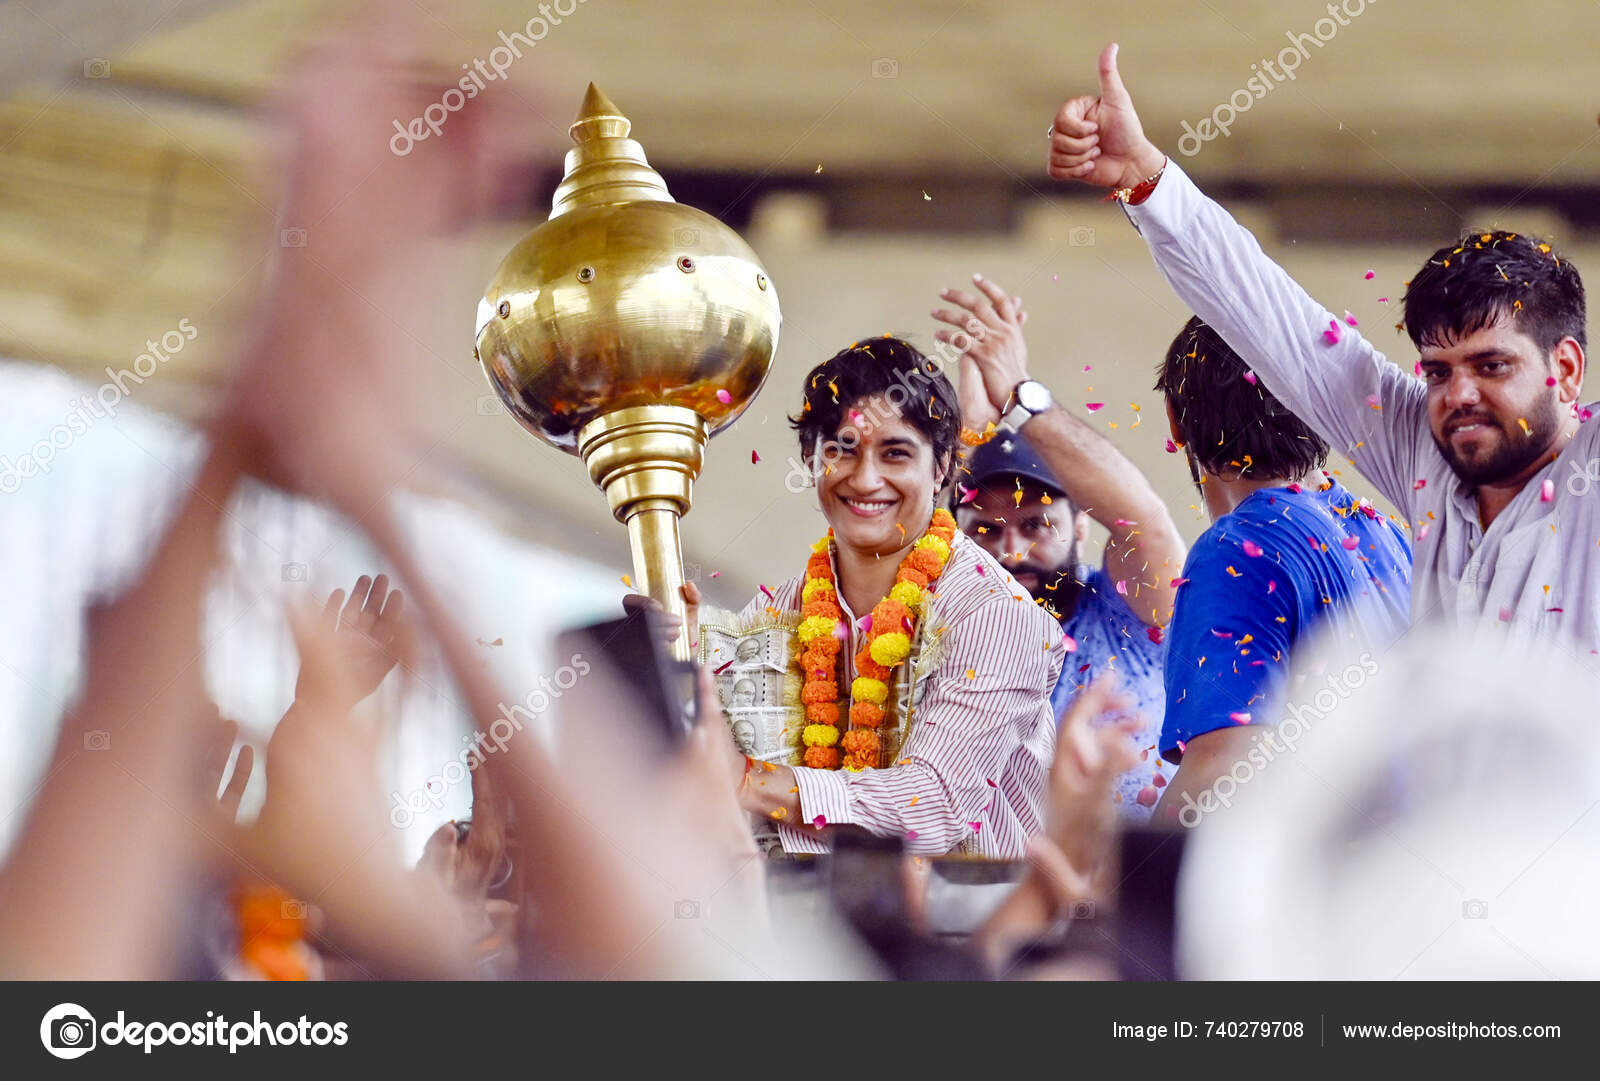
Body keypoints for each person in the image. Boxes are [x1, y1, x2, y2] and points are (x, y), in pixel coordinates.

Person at [1048, 42, 1597, 654]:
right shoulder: (1426, 450)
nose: (1459, 394)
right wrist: (1143, 177)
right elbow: (1267, 316)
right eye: (1438, 372)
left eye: (1492, 366)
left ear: (1566, 368)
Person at [658, 337, 1067, 858]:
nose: (866, 478)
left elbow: (931, 806)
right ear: (812, 460)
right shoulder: (774, 614)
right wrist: (673, 670)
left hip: (974, 906)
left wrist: (748, 781)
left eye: (895, 453)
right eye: (842, 450)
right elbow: (699, 781)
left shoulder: (997, 615)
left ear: (942, 466)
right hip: (804, 906)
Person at [931, 272, 1185, 818]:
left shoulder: (1128, 612)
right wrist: (972, 434)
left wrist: (1019, 395)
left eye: (1036, 525)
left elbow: (1144, 519)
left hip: (1127, 872)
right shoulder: (934, 624)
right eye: (985, 530)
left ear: (1082, 525)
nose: (1011, 551)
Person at [1147, 318, 1412, 826]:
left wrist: (1121, 874)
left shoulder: (1236, 548)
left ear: (1175, 422)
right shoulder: (1388, 534)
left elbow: (1222, 772)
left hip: (1322, 867)